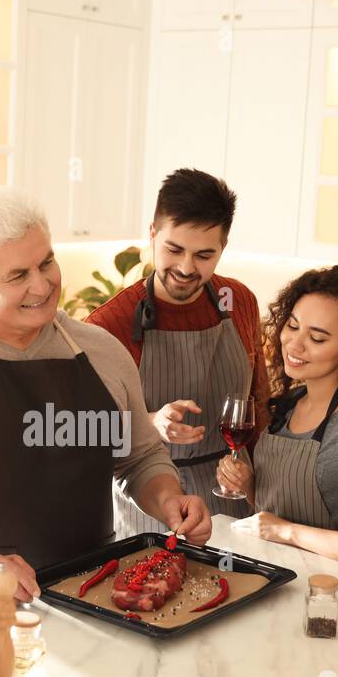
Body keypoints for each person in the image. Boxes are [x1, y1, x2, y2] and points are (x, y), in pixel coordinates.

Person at [0, 187, 211, 602]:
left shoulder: (104, 351)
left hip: (95, 594)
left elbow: (140, 458)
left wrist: (168, 499)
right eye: (18, 275)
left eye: (46, 263)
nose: (42, 285)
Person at [86, 168, 267, 534]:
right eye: (173, 249)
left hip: (234, 504)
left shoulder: (239, 301)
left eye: (204, 255)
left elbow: (259, 402)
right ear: (153, 235)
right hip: (150, 509)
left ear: (223, 248)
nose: (186, 268)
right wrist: (151, 423)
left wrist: (256, 481)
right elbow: (87, 431)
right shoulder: (109, 324)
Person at [219, 265, 338, 574]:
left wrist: (287, 531)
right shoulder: (289, 405)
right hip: (276, 577)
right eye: (292, 326)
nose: (294, 344)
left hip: (334, 591)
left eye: (317, 338)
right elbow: (272, 512)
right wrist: (249, 484)